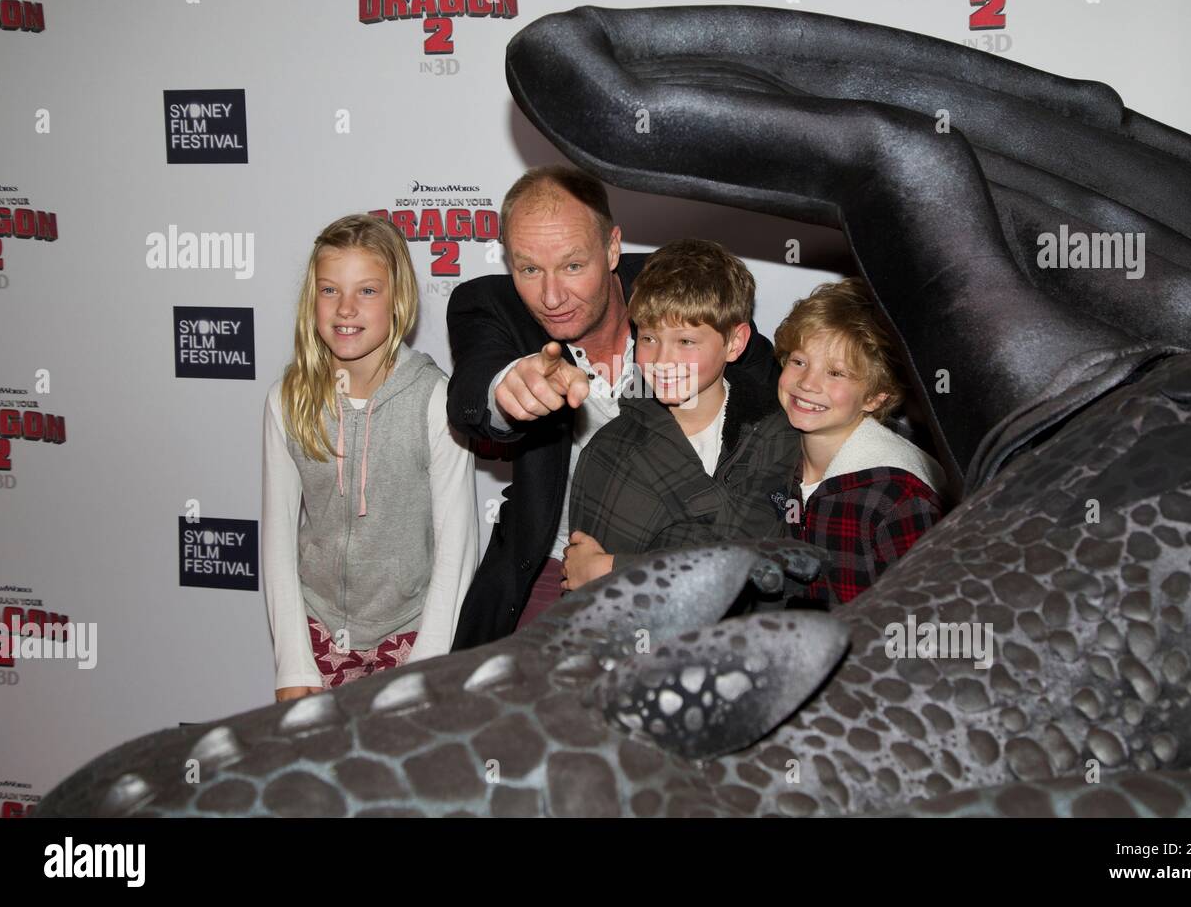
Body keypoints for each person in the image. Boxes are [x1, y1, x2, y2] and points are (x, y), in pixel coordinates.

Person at [446, 166, 779, 649]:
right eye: (529, 269)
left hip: (684, 557)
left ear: (612, 248)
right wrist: (508, 388)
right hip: (557, 565)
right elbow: (470, 390)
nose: (552, 296)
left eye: (573, 265)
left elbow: (770, 391)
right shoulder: (488, 304)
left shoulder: (680, 290)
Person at [262, 213, 477, 700]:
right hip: (316, 637)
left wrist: (430, 664)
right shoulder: (287, 400)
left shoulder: (435, 401)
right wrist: (293, 666)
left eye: (367, 291)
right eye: (329, 290)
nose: (345, 309)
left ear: (398, 298)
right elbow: (277, 540)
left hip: (408, 635)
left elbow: (457, 547)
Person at [565, 239, 798, 589]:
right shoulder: (607, 450)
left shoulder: (773, 432)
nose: (661, 360)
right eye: (648, 339)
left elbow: (753, 572)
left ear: (734, 343)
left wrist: (612, 568)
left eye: (686, 342)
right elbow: (590, 605)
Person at [774, 278, 946, 604]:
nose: (807, 383)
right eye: (799, 361)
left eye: (836, 373)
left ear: (876, 397)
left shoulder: (900, 496)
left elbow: (924, 613)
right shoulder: (773, 455)